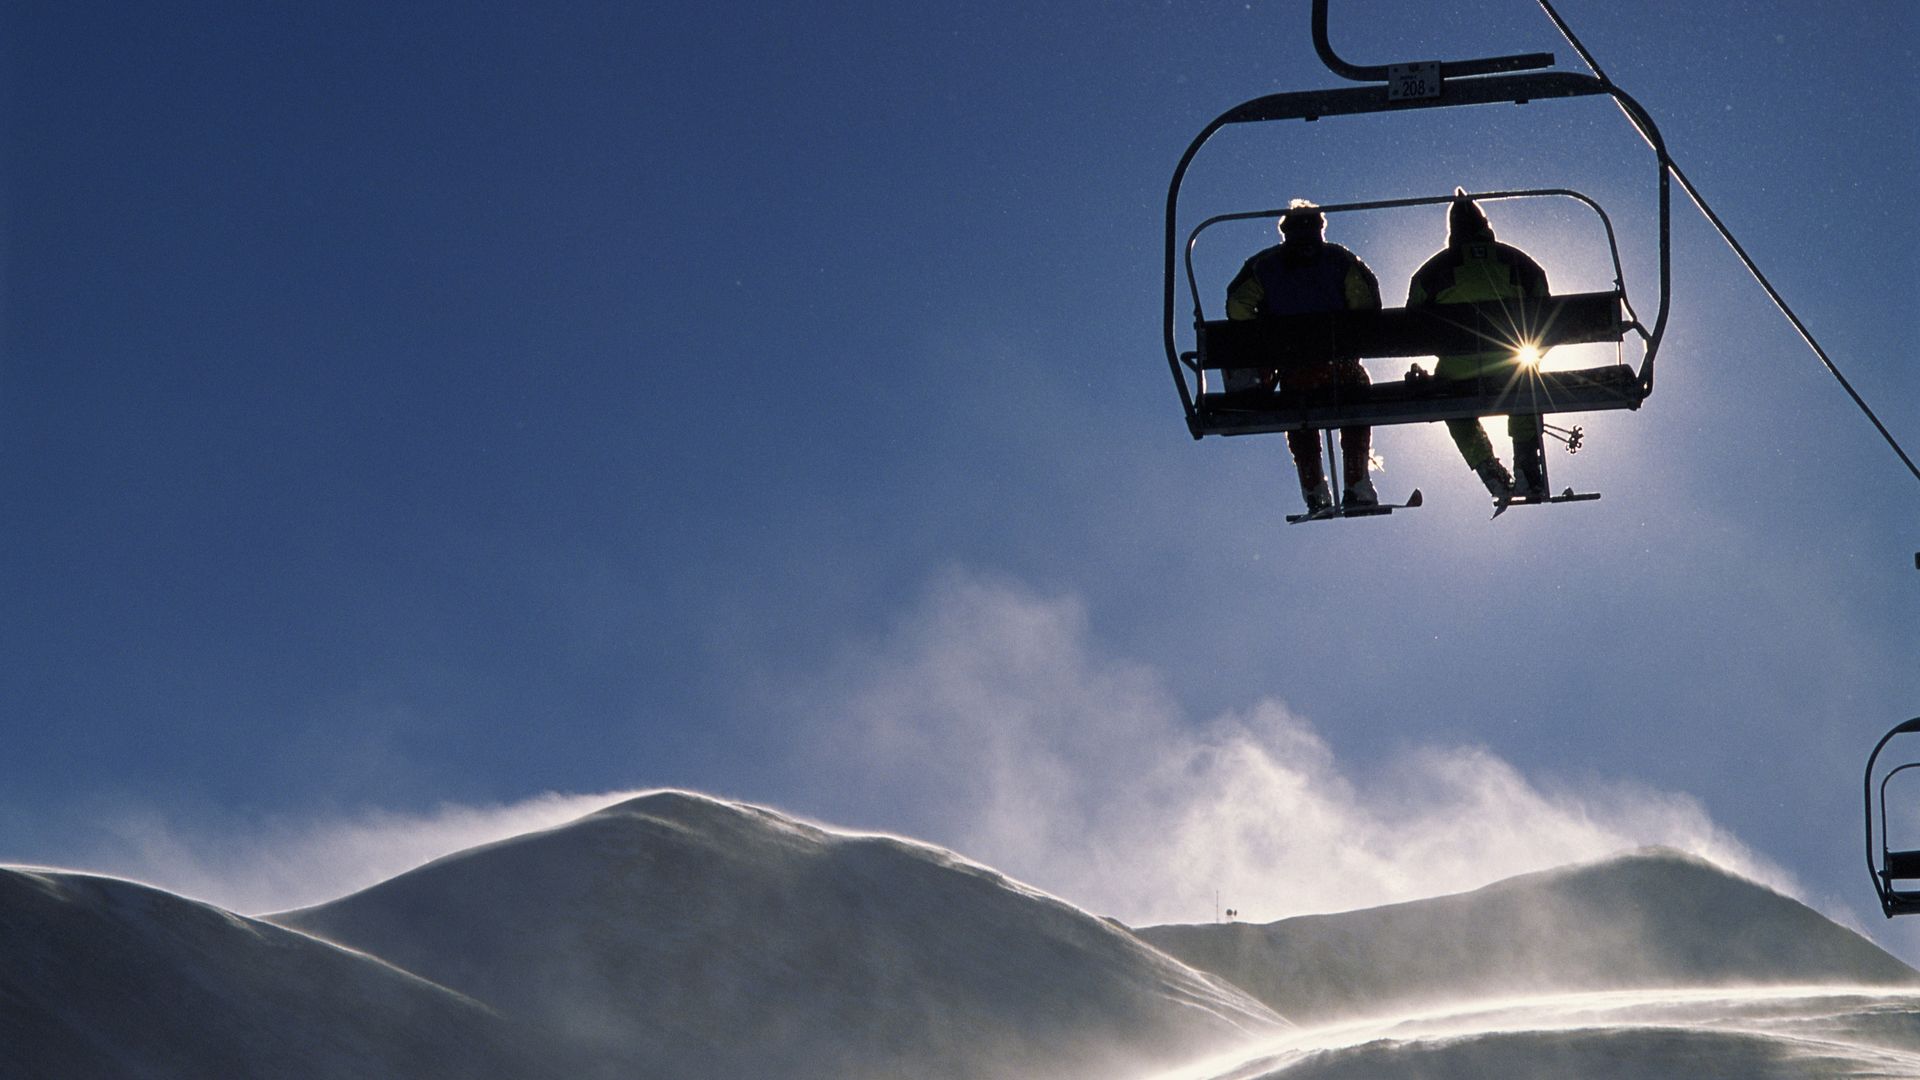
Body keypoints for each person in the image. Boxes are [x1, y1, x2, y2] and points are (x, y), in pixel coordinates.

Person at [1224, 200, 1383, 513]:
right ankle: (1357, 483)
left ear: (1285, 231)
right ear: (1320, 228)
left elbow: (1237, 306)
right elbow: (1366, 302)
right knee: (1357, 403)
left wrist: (1267, 331)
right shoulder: (1339, 259)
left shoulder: (1264, 265)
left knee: (1300, 415)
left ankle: (1313, 489)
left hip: (1297, 375)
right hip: (1341, 370)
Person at [1406, 191, 1552, 501]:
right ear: (1485, 226)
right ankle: (1527, 467)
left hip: (1458, 374)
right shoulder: (1518, 263)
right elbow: (1549, 321)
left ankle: (1489, 469)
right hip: (1510, 366)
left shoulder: (1432, 272)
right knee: (1524, 381)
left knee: (1447, 397)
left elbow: (1411, 328)